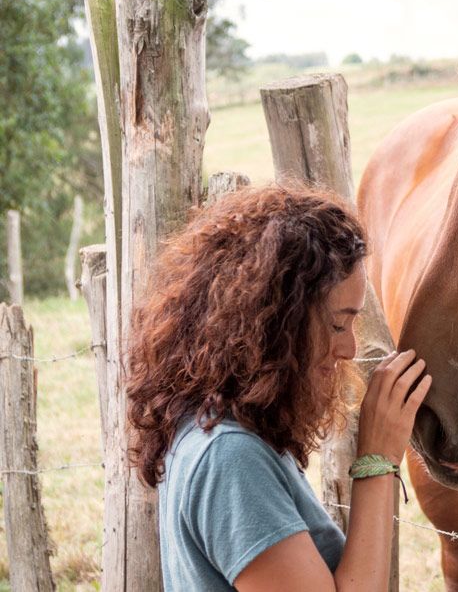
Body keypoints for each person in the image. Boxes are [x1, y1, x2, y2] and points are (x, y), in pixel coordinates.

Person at [126, 184, 431, 591]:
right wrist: (377, 459)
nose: (350, 348)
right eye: (338, 324)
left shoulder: (219, 426)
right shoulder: (230, 460)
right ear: (277, 325)